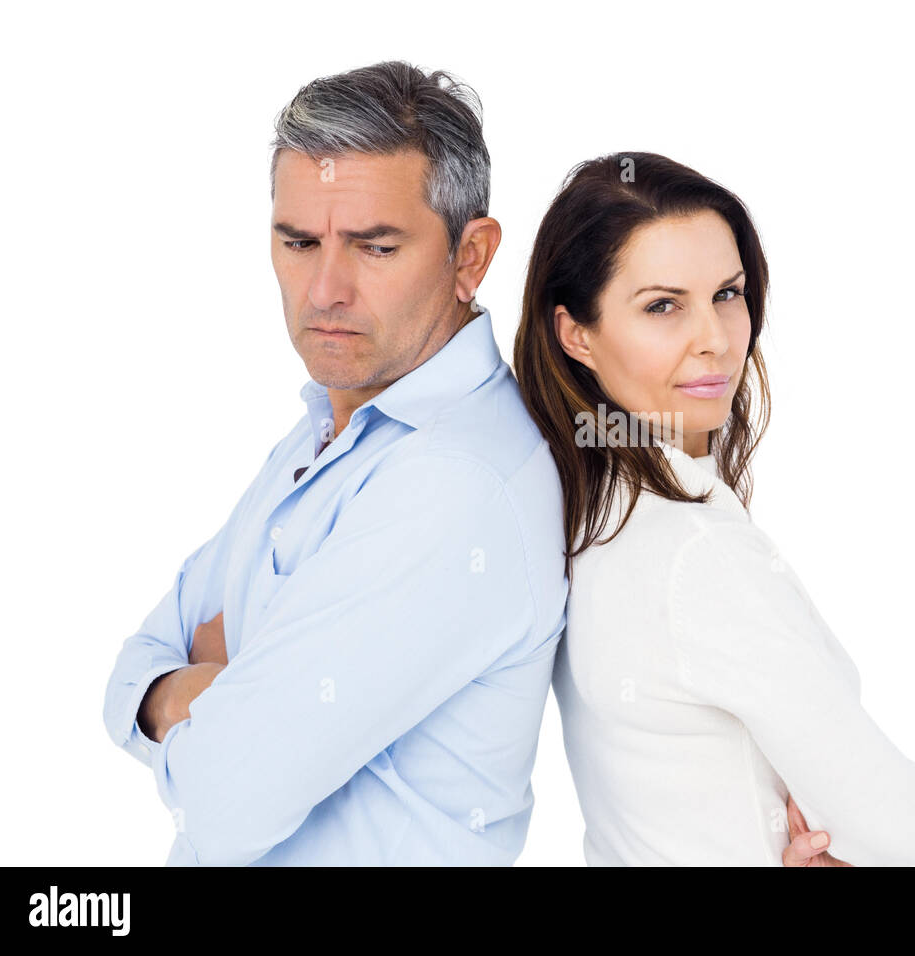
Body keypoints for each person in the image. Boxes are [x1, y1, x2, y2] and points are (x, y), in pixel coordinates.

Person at [101, 61, 569, 865]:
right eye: (298, 242)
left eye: (374, 246)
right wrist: (180, 693)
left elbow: (224, 795)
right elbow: (135, 665)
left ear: (471, 257)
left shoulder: (460, 483)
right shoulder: (326, 421)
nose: (324, 290)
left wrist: (213, 694)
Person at [513, 152, 915, 866]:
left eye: (728, 293)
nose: (715, 337)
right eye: (662, 305)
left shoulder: (576, 511)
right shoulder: (692, 553)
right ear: (575, 334)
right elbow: (904, 825)